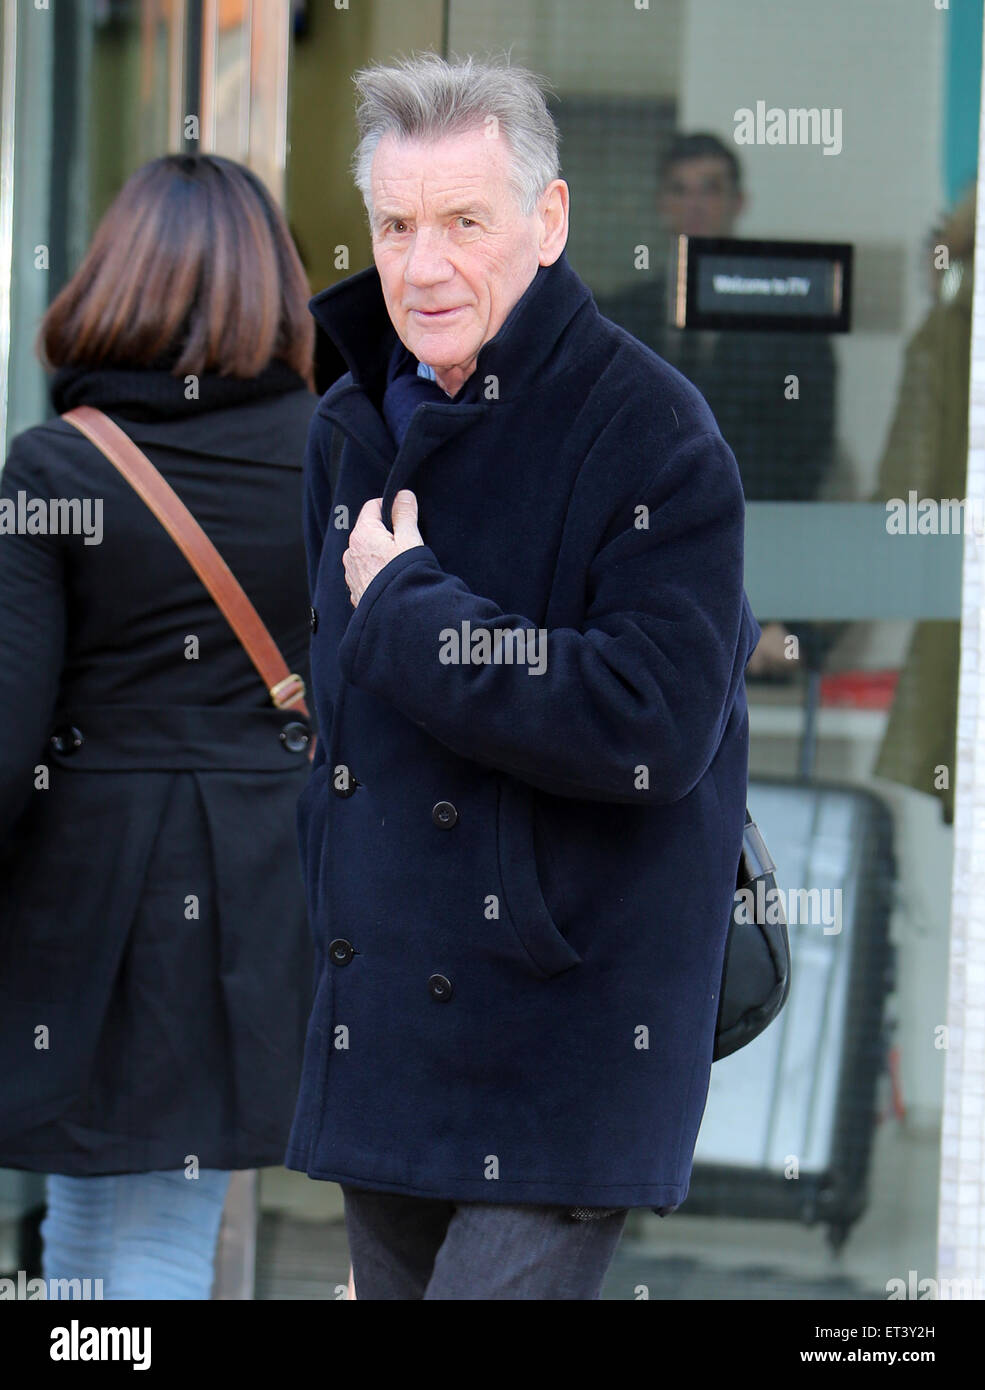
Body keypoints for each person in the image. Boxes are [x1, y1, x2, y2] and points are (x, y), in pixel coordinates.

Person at [286, 53, 761, 1301]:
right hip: (384, 1025)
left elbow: (651, 722)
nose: (421, 264)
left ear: (545, 225)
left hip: (564, 1036)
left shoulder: (652, 430)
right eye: (396, 225)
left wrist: (413, 613)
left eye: (463, 223)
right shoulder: (349, 422)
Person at [0, 154, 317, 1299]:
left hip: (96, 900)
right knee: (109, 1225)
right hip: (269, 886)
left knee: (122, 1235)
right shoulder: (337, 453)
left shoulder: (55, 467)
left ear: (112, 277)